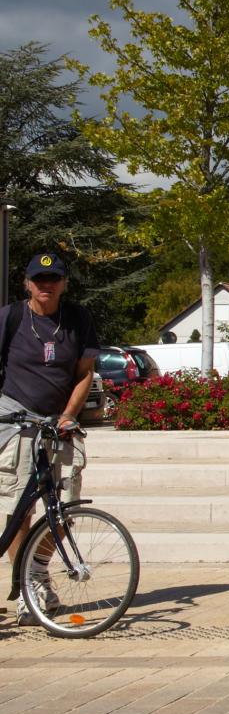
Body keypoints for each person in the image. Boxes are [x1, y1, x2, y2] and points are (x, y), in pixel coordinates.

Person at [0, 253, 99, 615]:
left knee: (63, 506)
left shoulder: (77, 319)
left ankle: (36, 572)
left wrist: (69, 414)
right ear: (27, 283)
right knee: (19, 508)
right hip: (17, 420)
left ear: (63, 284)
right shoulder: (11, 317)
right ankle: (27, 589)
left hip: (59, 422)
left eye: (53, 278)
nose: (46, 285)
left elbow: (85, 372)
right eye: (39, 279)